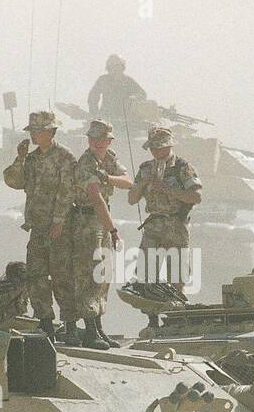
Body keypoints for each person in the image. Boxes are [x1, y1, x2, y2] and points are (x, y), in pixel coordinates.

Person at [2, 111, 76, 339]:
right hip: (37, 227)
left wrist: (58, 221)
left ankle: (71, 324)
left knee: (62, 276)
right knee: (36, 276)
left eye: (37, 131)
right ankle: (45, 322)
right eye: (31, 131)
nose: (33, 135)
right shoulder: (31, 159)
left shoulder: (65, 157)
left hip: (59, 228)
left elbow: (67, 191)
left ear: (50, 131)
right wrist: (20, 158)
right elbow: (13, 181)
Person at [64, 119, 131, 348]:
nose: (98, 143)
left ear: (109, 140)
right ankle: (90, 331)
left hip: (101, 221)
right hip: (87, 221)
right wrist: (113, 230)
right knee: (89, 274)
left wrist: (108, 178)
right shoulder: (86, 163)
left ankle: (99, 329)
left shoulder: (108, 157)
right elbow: (96, 198)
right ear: (89, 139)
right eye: (94, 139)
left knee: (103, 276)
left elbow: (128, 182)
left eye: (103, 139)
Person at [127, 126, 202, 326]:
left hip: (176, 225)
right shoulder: (145, 168)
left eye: (160, 148)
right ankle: (152, 319)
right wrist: (143, 183)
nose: (156, 152)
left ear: (169, 146)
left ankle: (176, 319)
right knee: (146, 273)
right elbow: (132, 199)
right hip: (154, 224)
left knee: (176, 275)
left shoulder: (182, 167)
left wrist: (170, 190)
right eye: (153, 148)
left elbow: (196, 196)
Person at [87, 54, 147, 123]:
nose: (115, 69)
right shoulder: (103, 80)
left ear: (122, 67)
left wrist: (133, 97)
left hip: (125, 119)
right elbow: (92, 97)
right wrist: (95, 114)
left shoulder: (128, 81)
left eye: (117, 66)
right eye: (112, 66)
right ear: (108, 68)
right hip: (106, 117)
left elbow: (142, 94)